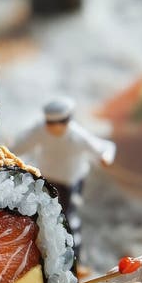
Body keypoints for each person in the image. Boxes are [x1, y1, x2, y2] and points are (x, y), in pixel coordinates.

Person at [14, 96, 115, 260]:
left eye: (56, 124)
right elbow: (22, 144)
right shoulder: (41, 130)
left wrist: (105, 158)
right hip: (46, 177)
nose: (52, 128)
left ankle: (74, 259)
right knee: (42, 214)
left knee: (68, 217)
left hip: (70, 181)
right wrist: (6, 150)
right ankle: (44, 254)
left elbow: (104, 147)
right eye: (50, 124)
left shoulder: (77, 136)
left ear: (66, 122)